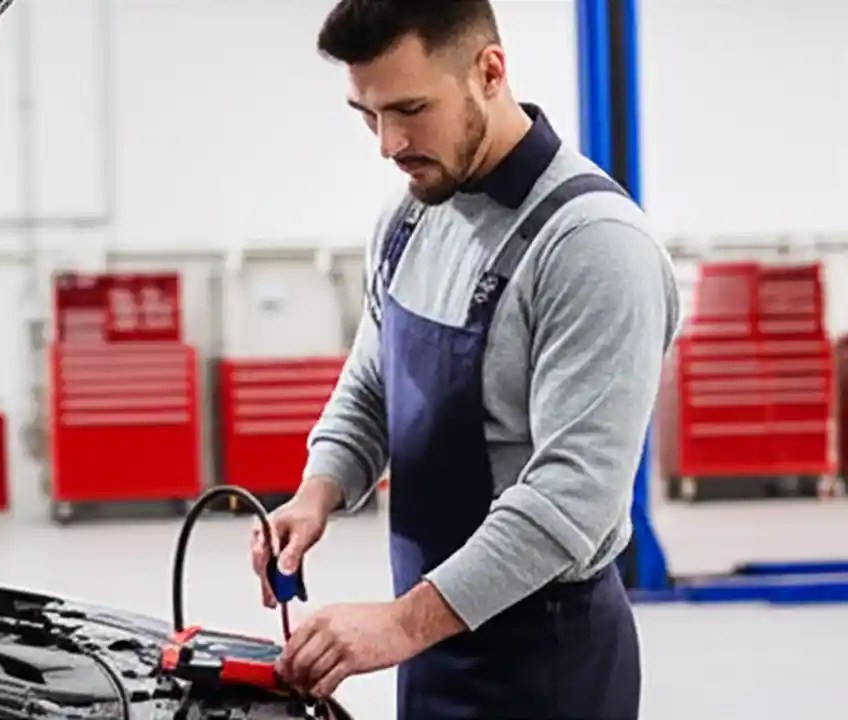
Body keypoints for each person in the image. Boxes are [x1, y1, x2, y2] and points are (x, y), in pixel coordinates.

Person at [248, 1, 681, 718]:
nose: (388, 142)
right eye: (367, 114)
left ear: (490, 70)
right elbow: (372, 383)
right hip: (435, 645)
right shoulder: (410, 216)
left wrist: (396, 624)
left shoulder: (594, 248)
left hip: (547, 668)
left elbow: (571, 499)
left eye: (411, 108)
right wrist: (317, 491)